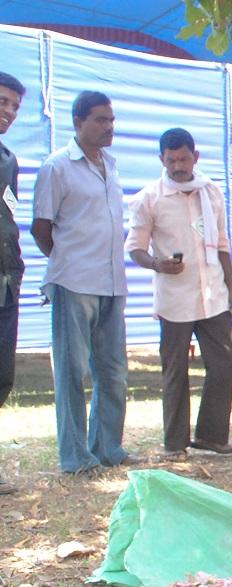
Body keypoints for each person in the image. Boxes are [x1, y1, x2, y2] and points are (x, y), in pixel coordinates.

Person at [32, 91, 145, 474]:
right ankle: (75, 457)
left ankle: (107, 446)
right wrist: (69, 261)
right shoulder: (57, 167)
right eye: (100, 120)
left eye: (111, 119)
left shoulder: (110, 165)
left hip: (113, 282)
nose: (108, 126)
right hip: (74, 282)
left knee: (113, 371)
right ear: (78, 123)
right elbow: (41, 227)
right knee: (72, 371)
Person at [126, 128, 232, 461]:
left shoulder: (211, 192)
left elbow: (222, 244)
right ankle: (175, 443)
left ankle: (211, 436)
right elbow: (135, 248)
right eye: (171, 159)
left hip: (214, 295)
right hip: (174, 299)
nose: (178, 165)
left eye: (183, 158)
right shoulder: (149, 197)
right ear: (161, 159)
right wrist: (156, 264)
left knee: (224, 363)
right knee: (176, 370)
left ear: (196, 157)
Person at [0, 72, 24, 494]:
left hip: (5, 280)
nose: (9, 112)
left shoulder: (8, 160)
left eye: (15, 107)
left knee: (2, 376)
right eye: (3, 101)